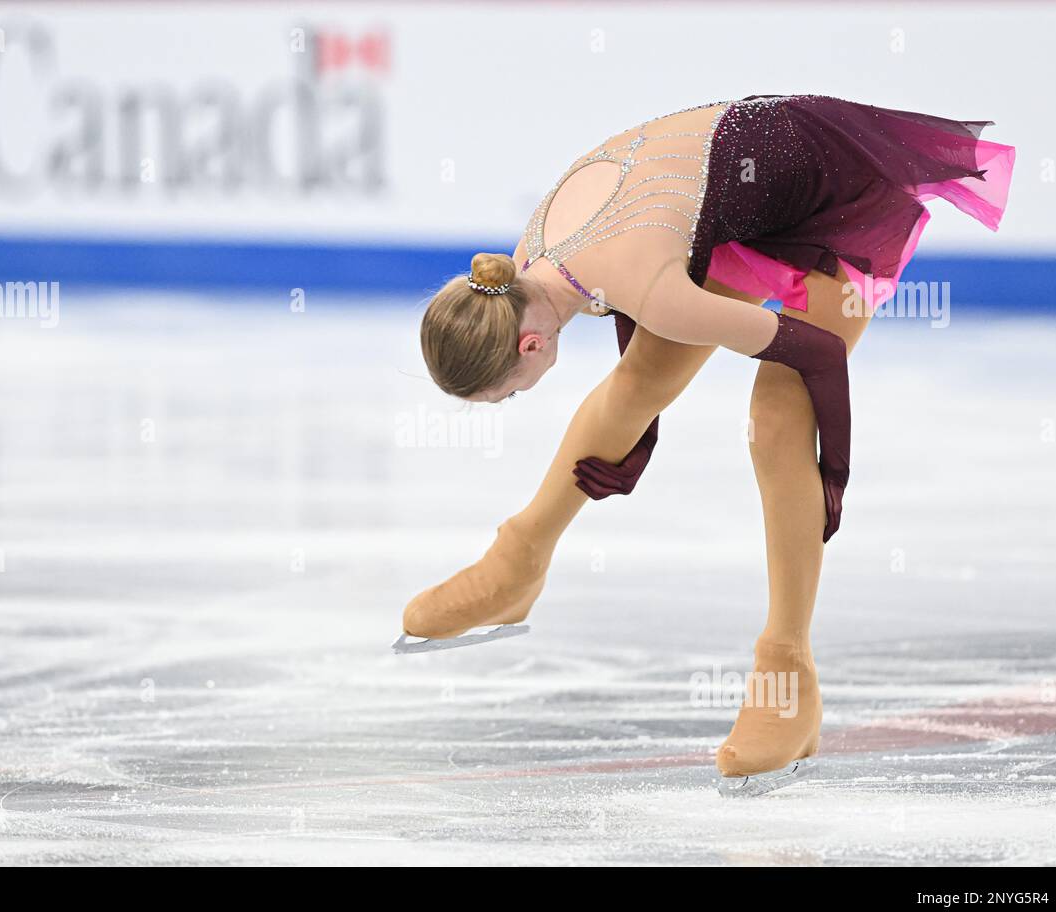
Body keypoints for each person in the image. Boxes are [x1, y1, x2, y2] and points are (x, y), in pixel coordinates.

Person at [404, 95, 1014, 790]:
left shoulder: (636, 285)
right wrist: (638, 435)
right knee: (639, 382)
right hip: (740, 193)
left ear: (531, 343)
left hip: (835, 187)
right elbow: (646, 270)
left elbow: (816, 354)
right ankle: (516, 564)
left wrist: (833, 473)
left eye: (511, 391)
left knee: (779, 413)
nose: (520, 395)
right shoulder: (526, 265)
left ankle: (789, 672)